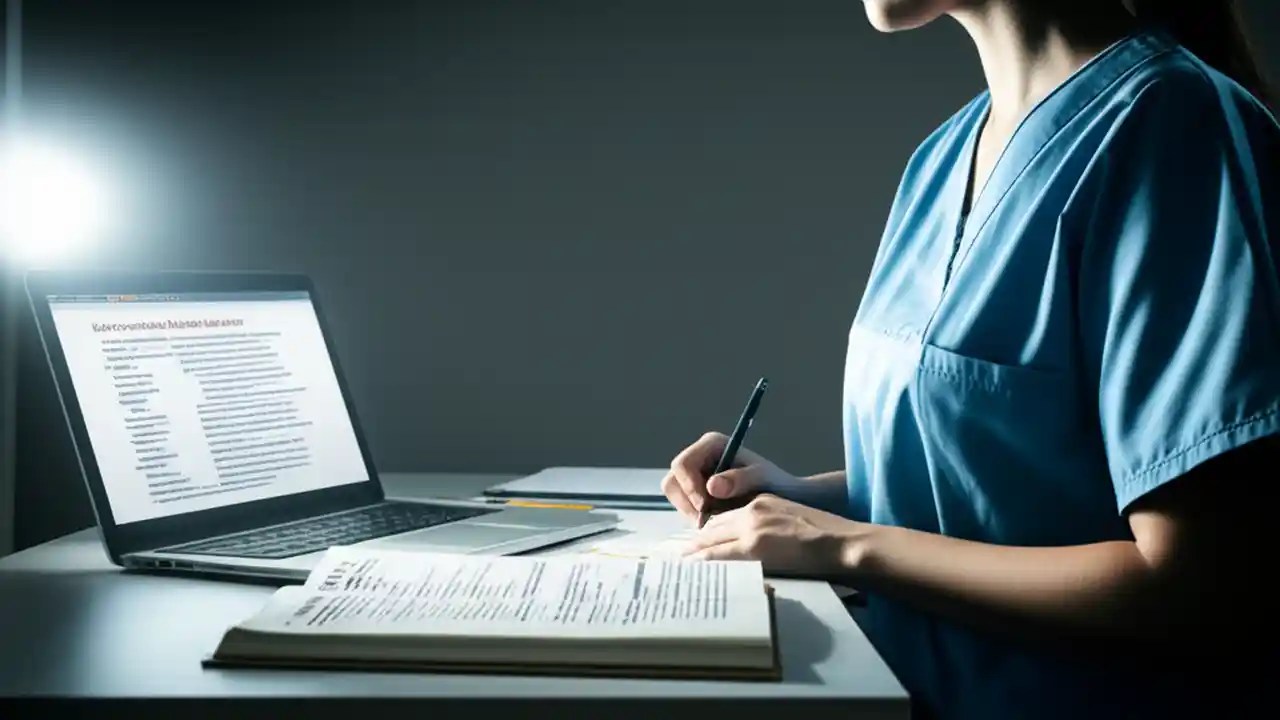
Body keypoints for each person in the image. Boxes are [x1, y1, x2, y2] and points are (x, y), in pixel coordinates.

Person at [661, 1, 1280, 718]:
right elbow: (1003, 482)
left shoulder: (1176, 129)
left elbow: (1195, 586)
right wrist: (801, 496)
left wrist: (845, 547)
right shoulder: (942, 156)